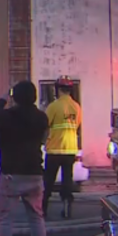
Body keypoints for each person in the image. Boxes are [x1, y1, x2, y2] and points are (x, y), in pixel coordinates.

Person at [0, 80, 50, 236]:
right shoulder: (41, 117)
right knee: (36, 218)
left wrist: (3, 99)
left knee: (6, 220)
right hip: (34, 172)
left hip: (11, 173)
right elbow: (43, 138)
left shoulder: (8, 116)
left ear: (15, 97)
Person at [43, 76, 82, 219]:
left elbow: (44, 123)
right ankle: (66, 205)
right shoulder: (76, 107)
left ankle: (42, 208)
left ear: (58, 89)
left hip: (55, 148)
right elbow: (77, 125)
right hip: (70, 149)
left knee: (48, 181)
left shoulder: (54, 106)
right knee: (67, 180)